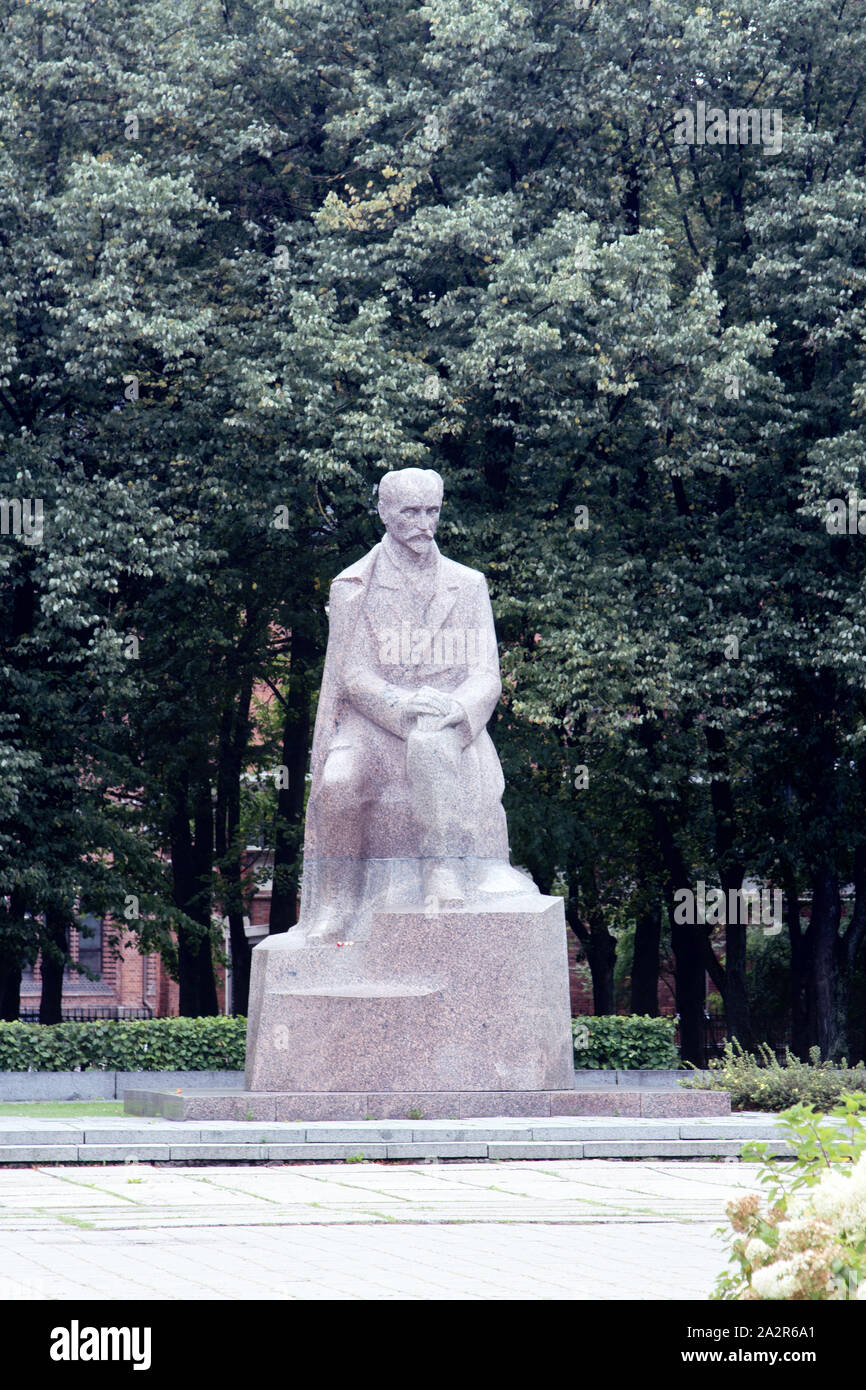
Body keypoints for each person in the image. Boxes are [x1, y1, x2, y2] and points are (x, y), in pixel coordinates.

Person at [300, 466, 534, 942]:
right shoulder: (354, 586)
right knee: (338, 781)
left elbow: (486, 673)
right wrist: (401, 705)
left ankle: (441, 869)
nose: (423, 523)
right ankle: (337, 903)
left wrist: (458, 710)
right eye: (410, 511)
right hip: (372, 721)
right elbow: (352, 674)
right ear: (384, 513)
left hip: (444, 719)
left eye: (432, 511)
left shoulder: (467, 584)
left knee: (430, 743)